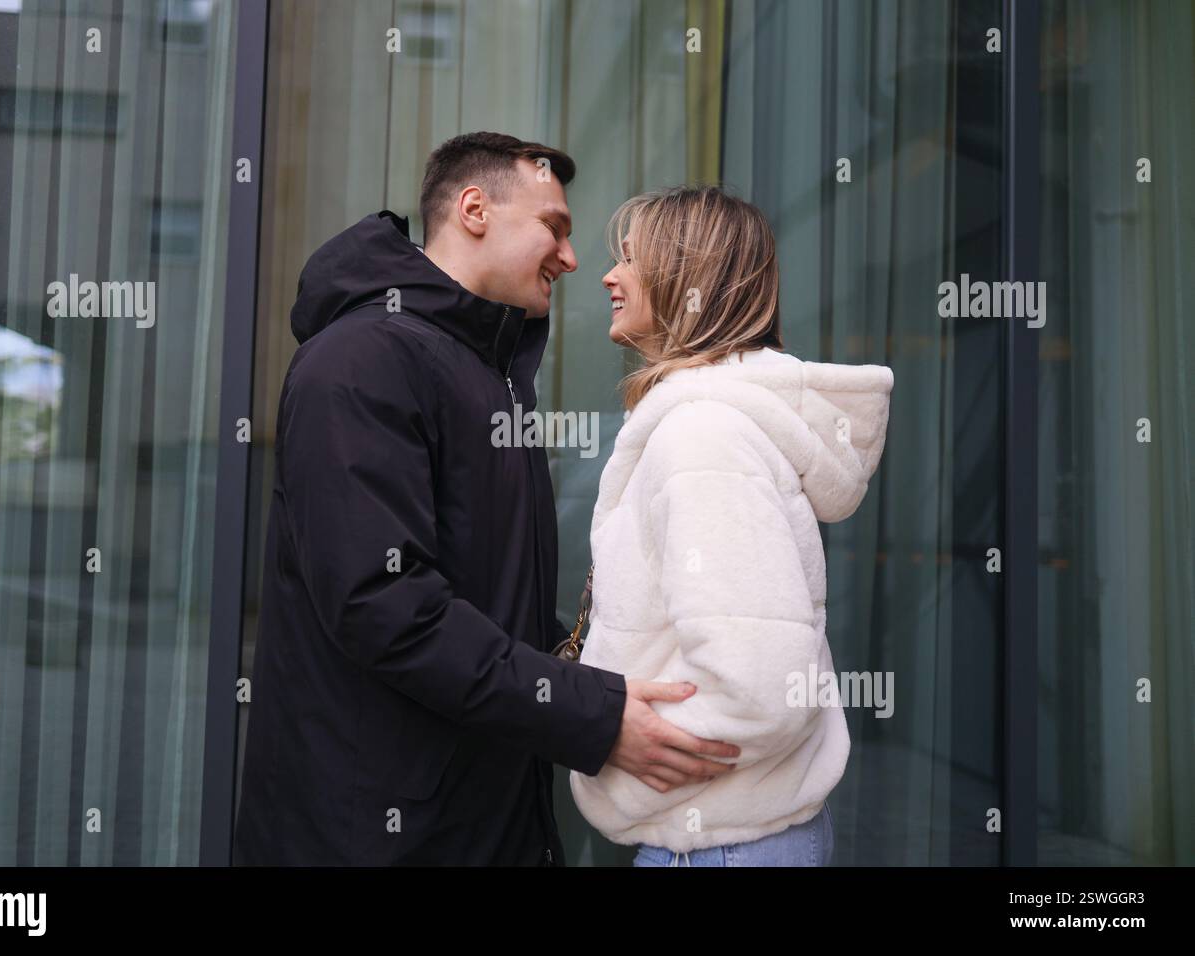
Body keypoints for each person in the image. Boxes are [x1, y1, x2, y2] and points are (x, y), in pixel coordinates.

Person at [232, 133, 740, 866]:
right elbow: (386, 606)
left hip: (483, 823)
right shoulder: (359, 363)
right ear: (474, 209)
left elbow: (500, 608)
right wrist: (595, 717)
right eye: (555, 228)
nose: (571, 260)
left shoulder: (486, 374)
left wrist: (616, 680)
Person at [569, 185, 894, 866]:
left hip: (719, 846)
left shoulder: (702, 435)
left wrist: (625, 757)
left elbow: (762, 685)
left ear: (688, 279)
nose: (608, 276)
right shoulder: (704, 423)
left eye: (631, 259)